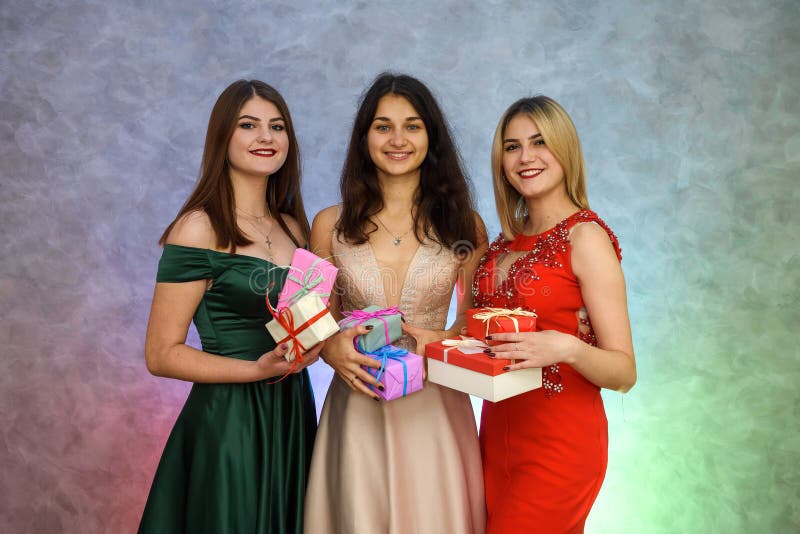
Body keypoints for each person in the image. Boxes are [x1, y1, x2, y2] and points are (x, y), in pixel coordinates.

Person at [303, 73, 488, 534]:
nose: (398, 139)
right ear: (364, 137)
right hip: (357, 402)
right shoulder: (329, 225)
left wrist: (438, 342)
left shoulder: (465, 226)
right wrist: (330, 348)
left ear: (431, 136)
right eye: (383, 126)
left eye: (412, 126)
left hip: (436, 404)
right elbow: (310, 319)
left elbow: (474, 324)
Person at [138, 79, 323, 534]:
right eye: (248, 125)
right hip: (230, 418)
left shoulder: (295, 227)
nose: (266, 137)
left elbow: (307, 319)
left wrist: (319, 344)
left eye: (277, 126)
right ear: (223, 136)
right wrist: (256, 370)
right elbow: (160, 354)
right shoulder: (197, 228)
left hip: (292, 413)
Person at [472, 96, 637, 533]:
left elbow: (624, 372)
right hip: (495, 438)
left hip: (559, 445)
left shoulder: (586, 238)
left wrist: (567, 347)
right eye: (512, 146)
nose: (525, 157)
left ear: (565, 149)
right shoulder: (500, 245)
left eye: (540, 142)